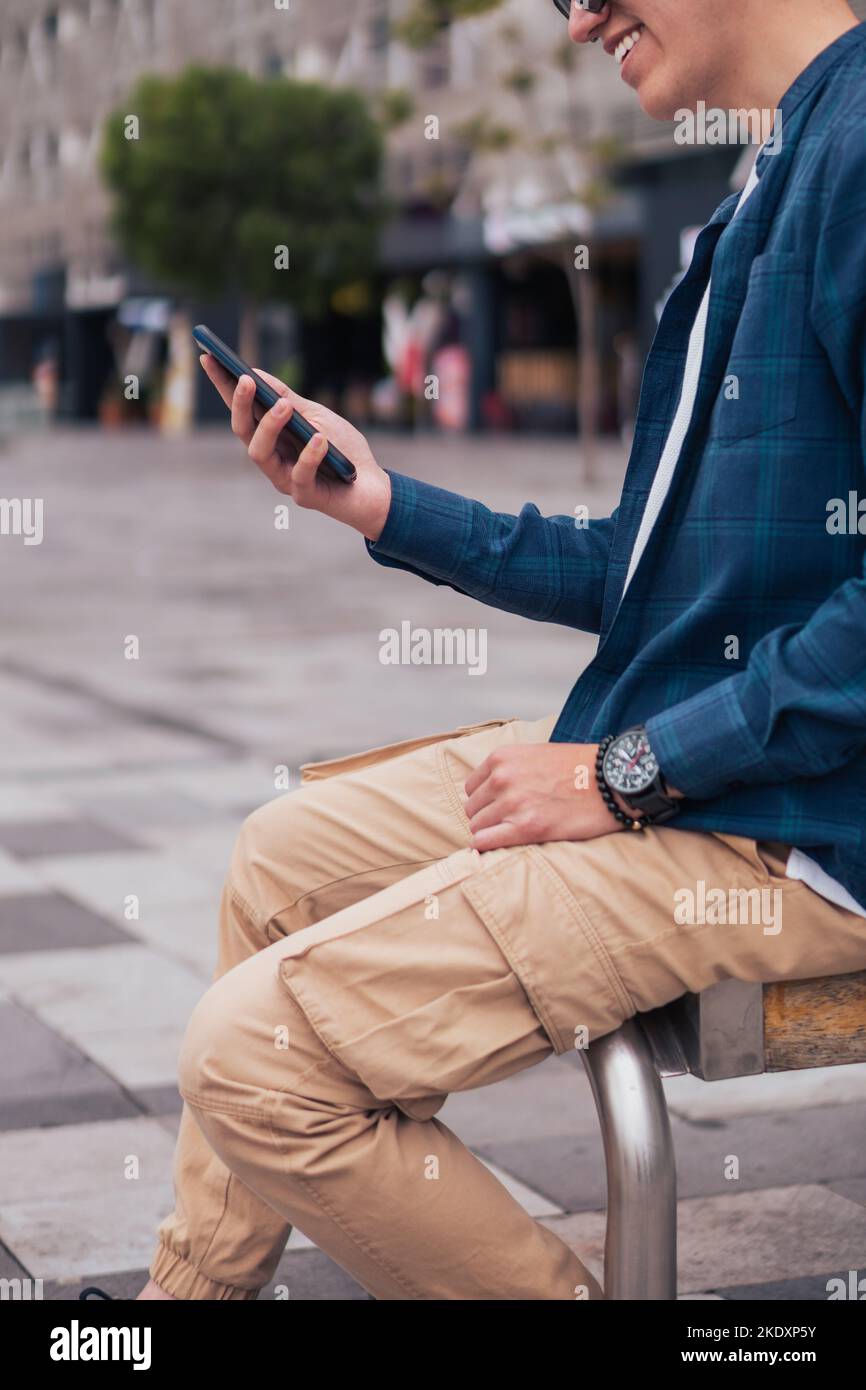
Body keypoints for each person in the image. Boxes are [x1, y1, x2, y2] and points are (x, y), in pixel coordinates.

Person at [130, 1, 866, 1301]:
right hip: (693, 760)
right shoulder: (757, 183)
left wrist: (625, 772)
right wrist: (381, 502)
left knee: (253, 1057)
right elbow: (642, 567)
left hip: (792, 831)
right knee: (277, 855)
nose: (575, 13)